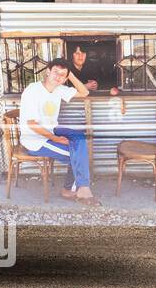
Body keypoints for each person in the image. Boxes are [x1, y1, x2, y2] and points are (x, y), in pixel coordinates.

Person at [18, 57, 99, 205]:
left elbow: (84, 92)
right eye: (56, 72)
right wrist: (56, 139)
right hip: (35, 140)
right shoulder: (33, 90)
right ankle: (75, 189)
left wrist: (71, 75)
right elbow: (32, 124)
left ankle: (78, 187)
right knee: (75, 154)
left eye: (63, 75)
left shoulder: (59, 89)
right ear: (48, 71)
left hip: (51, 130)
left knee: (79, 137)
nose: (58, 77)